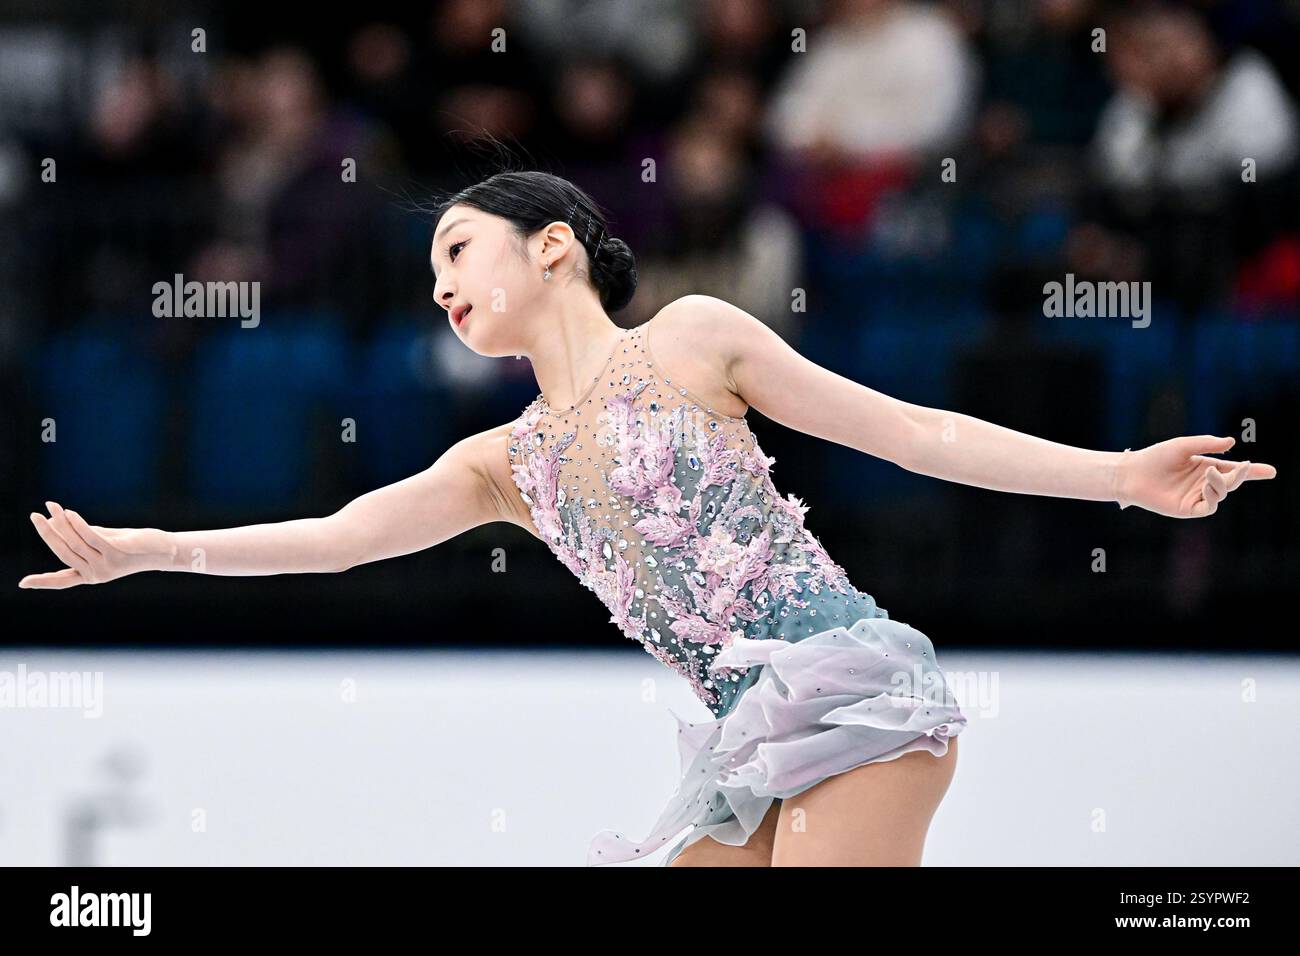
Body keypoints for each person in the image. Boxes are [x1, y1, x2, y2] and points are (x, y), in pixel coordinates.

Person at [20, 169, 1276, 867]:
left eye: (459, 251)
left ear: (552, 246)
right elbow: (338, 533)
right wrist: (145, 550)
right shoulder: (501, 459)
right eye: (430, 276)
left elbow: (916, 432)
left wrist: (1121, 475)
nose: (443, 285)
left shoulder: (691, 339)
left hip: (851, 694)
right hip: (741, 742)